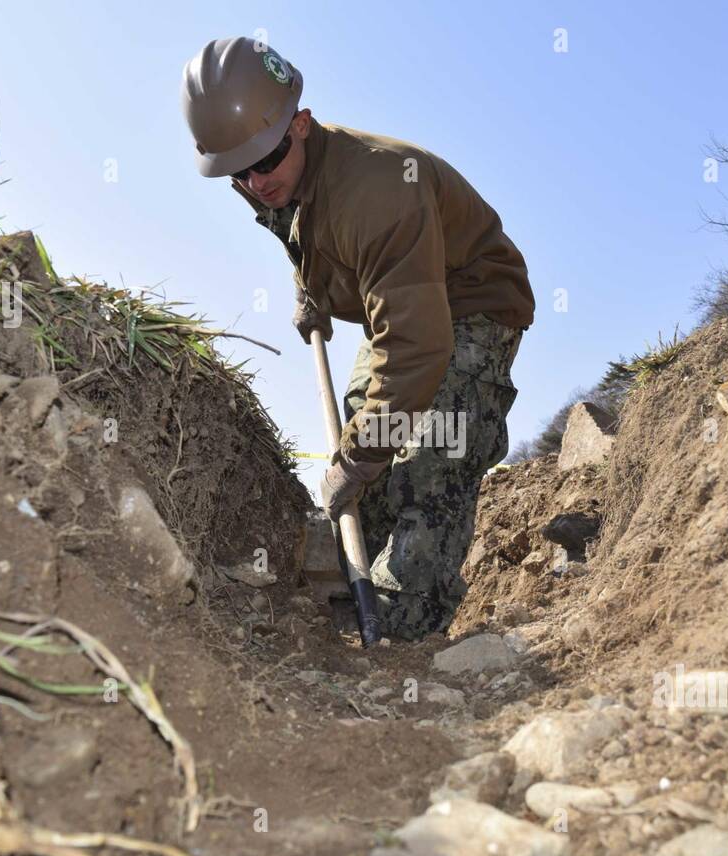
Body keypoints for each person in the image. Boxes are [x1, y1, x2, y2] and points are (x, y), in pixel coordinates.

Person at [181, 37, 535, 641]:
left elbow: (419, 349)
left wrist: (358, 459)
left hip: (468, 303)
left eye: (265, 162)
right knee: (361, 426)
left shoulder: (376, 190)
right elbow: (305, 231)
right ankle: (354, 586)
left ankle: (403, 626)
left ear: (302, 124)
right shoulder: (278, 176)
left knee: (428, 451)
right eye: (237, 173)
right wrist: (310, 296)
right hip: (397, 304)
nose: (255, 183)